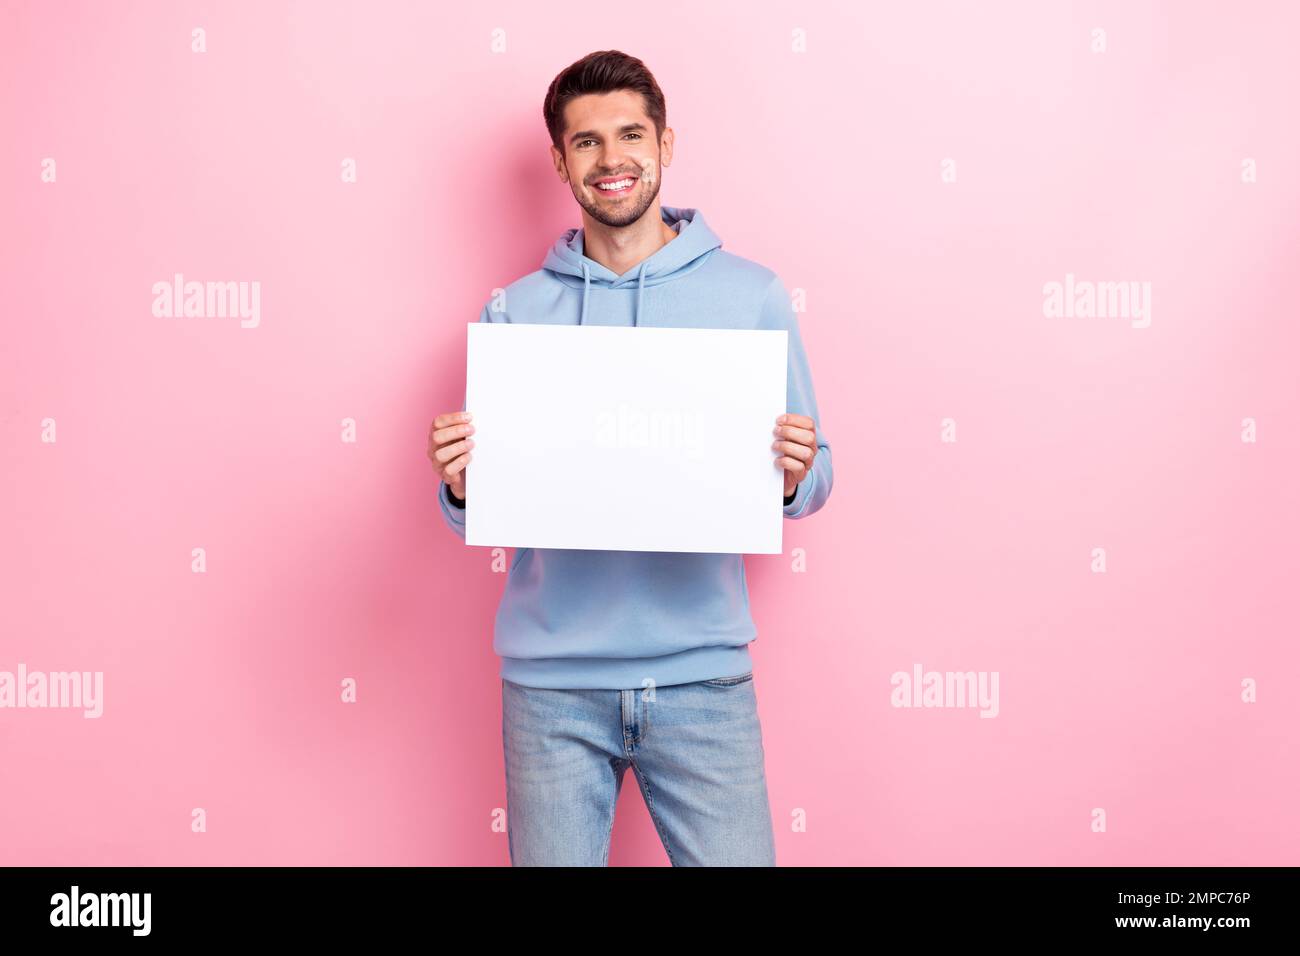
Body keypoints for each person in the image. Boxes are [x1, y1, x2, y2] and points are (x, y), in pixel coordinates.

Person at [427, 50, 832, 866]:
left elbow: (816, 474)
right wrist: (461, 484)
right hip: (552, 689)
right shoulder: (515, 314)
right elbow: (474, 505)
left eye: (630, 135)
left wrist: (794, 471)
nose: (612, 160)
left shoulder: (750, 295)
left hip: (702, 678)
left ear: (666, 144)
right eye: (587, 142)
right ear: (560, 160)